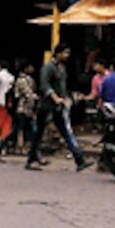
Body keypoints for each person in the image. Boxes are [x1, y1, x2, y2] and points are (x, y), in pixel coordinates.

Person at [26, 44, 91, 172]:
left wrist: (65, 98)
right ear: (58, 53)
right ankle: (31, 159)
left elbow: (61, 87)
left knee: (65, 132)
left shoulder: (62, 68)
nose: (67, 55)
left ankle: (79, 159)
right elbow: (45, 85)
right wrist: (55, 98)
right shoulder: (48, 68)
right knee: (39, 133)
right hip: (46, 106)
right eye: (65, 53)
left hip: (58, 106)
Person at [8, 60, 38, 156]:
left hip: (27, 108)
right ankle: (19, 147)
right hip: (22, 107)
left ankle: (21, 146)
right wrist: (35, 97)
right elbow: (27, 93)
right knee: (20, 129)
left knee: (23, 129)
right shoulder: (22, 80)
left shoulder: (27, 79)